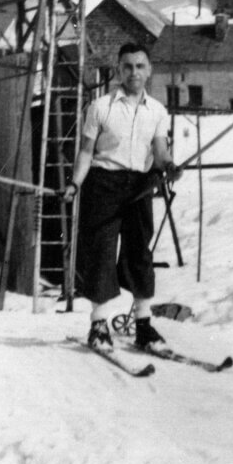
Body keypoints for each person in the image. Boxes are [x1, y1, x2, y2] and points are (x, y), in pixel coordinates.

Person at [63, 43, 181, 352]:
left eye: (140, 66)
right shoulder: (100, 107)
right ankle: (99, 325)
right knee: (101, 251)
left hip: (139, 185)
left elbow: (159, 150)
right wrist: (75, 184)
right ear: (118, 70)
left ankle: (143, 326)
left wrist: (168, 166)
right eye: (127, 66)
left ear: (149, 70)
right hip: (103, 184)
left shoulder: (157, 111)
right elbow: (86, 152)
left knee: (138, 253)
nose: (134, 72)